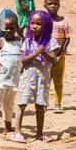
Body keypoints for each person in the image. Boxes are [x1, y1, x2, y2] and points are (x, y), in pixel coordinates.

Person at [15, 9, 58, 142]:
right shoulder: (27, 41)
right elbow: (23, 60)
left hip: (42, 80)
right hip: (28, 79)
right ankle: (17, 131)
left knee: (40, 106)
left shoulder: (51, 42)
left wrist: (44, 53)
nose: (34, 26)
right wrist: (35, 54)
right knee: (22, 103)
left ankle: (39, 133)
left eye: (39, 24)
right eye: (32, 23)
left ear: (46, 26)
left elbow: (54, 60)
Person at [0, 10, 22, 135]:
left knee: (9, 105)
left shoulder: (20, 41)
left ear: (16, 28)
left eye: (11, 28)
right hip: (1, 80)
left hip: (13, 80)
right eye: (5, 28)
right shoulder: (1, 41)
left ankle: (8, 127)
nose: (8, 31)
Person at [44, 0, 70, 112]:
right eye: (50, 3)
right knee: (45, 81)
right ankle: (43, 103)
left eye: (55, 3)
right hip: (45, 57)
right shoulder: (42, 20)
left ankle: (58, 104)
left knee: (58, 81)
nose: (53, 6)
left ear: (59, 5)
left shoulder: (64, 21)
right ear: (45, 5)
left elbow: (67, 39)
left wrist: (59, 55)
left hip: (59, 57)